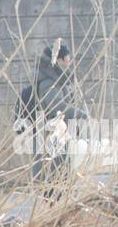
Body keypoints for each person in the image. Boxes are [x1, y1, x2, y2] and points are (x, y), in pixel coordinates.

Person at [31, 44, 85, 199]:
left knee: (60, 176)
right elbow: (57, 106)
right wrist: (81, 114)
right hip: (51, 137)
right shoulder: (49, 82)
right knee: (54, 180)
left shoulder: (58, 80)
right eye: (68, 58)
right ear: (59, 59)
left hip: (58, 135)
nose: (70, 62)